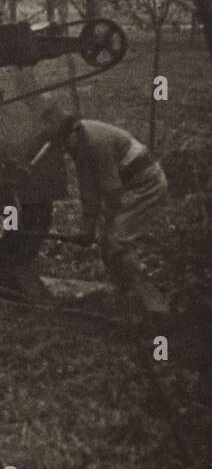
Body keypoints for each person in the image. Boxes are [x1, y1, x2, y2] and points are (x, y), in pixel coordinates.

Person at [38, 109, 170, 318]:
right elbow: (89, 193)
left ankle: (156, 306)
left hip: (146, 185)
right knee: (109, 245)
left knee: (116, 242)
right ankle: (127, 296)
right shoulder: (80, 147)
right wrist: (88, 229)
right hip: (129, 185)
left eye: (65, 143)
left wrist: (107, 225)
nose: (65, 150)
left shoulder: (96, 142)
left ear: (75, 130)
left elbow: (112, 191)